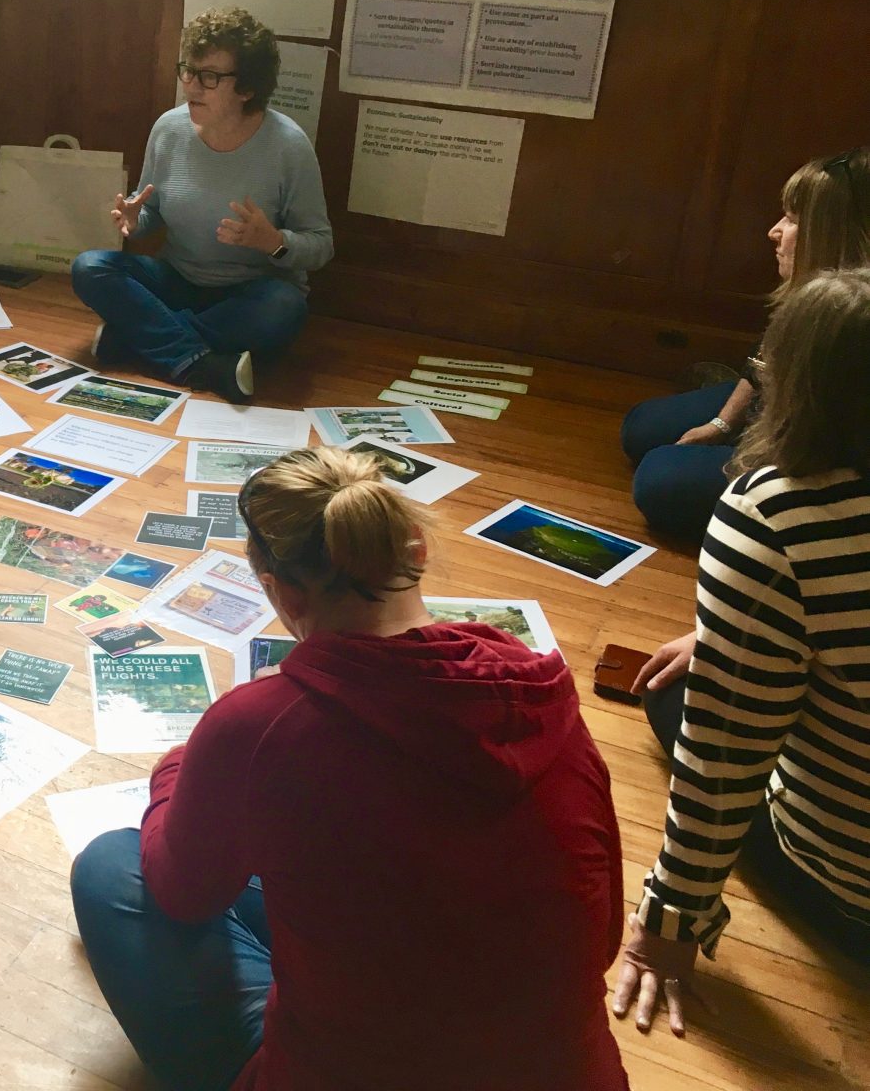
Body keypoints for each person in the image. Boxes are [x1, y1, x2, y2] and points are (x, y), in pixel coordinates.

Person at [70, 446, 627, 1091]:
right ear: (415, 550)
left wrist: (180, 767)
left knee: (113, 864)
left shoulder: (256, 726)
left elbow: (181, 893)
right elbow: (603, 936)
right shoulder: (536, 691)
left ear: (278, 590)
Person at [615, 268, 870, 1038]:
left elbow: (723, 754)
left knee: (670, 695)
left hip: (851, 879)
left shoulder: (776, 509)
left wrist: (670, 920)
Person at [71, 7, 332, 404]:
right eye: (188, 71)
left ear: (247, 88)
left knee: (284, 308)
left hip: (249, 295)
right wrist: (135, 220)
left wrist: (273, 241)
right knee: (89, 267)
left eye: (209, 77)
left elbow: (320, 245)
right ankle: (202, 364)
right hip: (178, 281)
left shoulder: (287, 146)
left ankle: (136, 338)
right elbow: (151, 211)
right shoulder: (169, 129)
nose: (191, 86)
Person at [621, 146, 870, 542]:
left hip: (812, 455)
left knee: (660, 478)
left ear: (830, 233)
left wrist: (752, 477)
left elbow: (812, 456)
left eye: (791, 220)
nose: (773, 231)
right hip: (778, 408)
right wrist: (721, 424)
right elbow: (762, 360)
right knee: (642, 427)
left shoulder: (850, 321)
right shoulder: (809, 293)